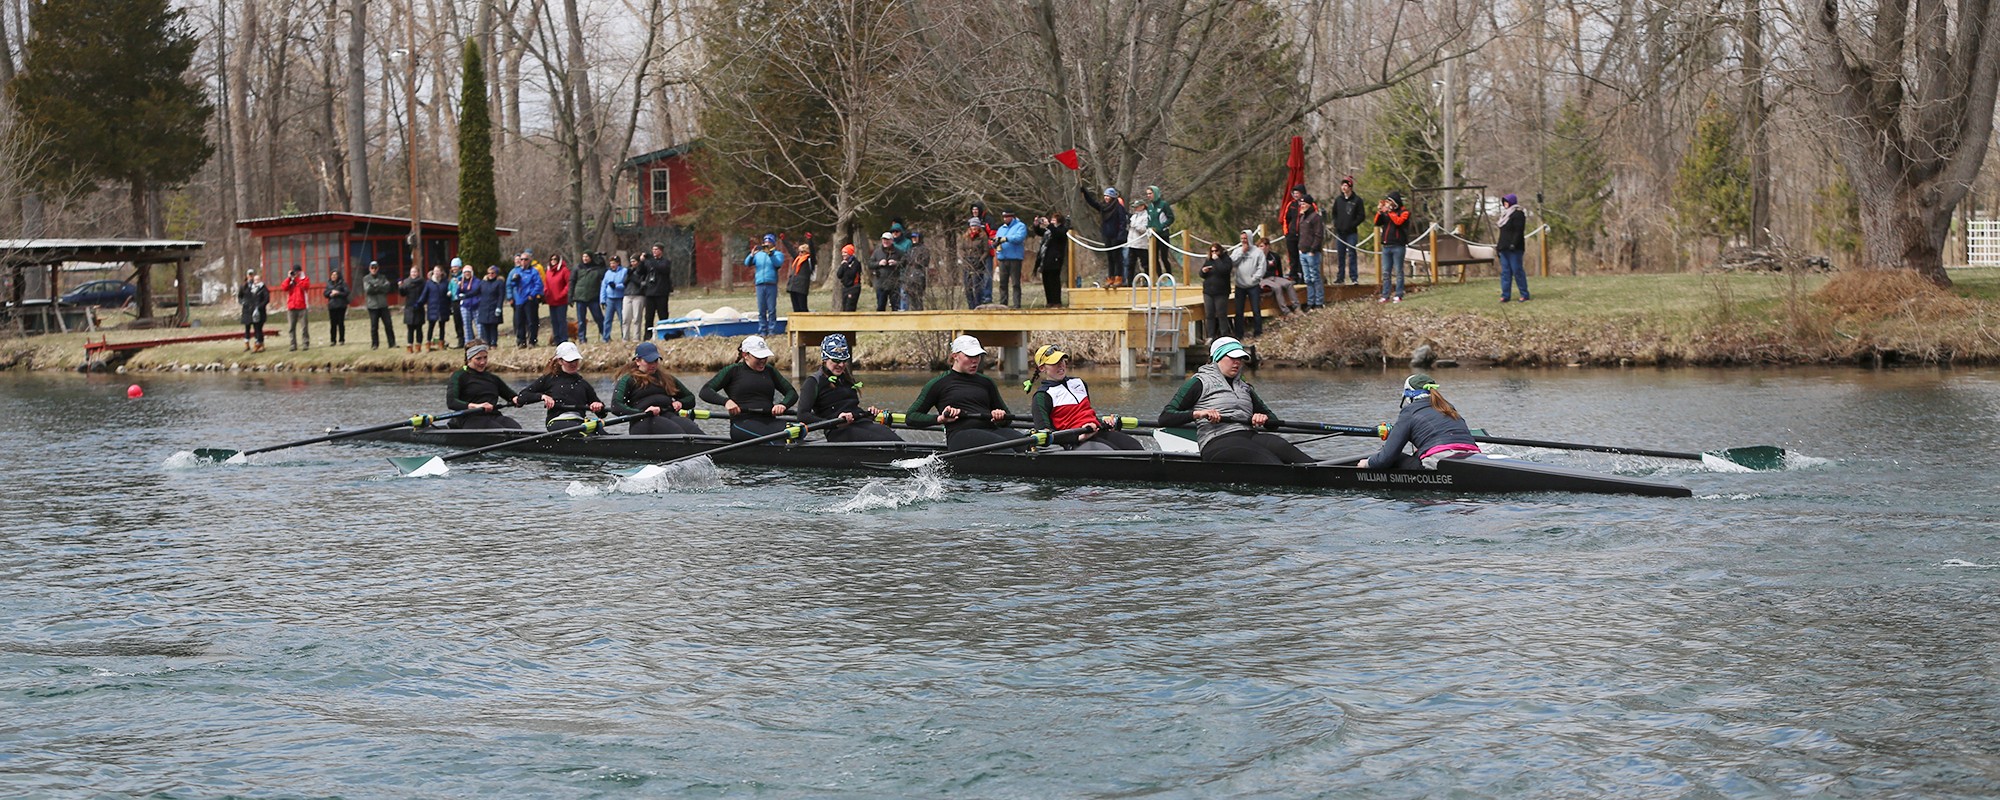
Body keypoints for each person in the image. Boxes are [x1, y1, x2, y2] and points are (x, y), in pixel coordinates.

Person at [1158, 337, 1313, 464]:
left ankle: (1320, 473)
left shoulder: (1245, 387)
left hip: (1249, 436)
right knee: (1269, 461)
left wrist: (1262, 418)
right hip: (1217, 441)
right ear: (1217, 357)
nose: (1237, 362)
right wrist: (1199, 414)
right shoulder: (1198, 382)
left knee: (1283, 447)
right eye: (1232, 357)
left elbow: (1273, 422)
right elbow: (1165, 417)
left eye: (1240, 358)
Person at [904, 335, 1013, 451]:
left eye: (977, 356)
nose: (975, 360)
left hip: (990, 430)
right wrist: (940, 419)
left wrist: (1001, 417)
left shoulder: (987, 382)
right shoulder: (939, 383)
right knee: (1007, 450)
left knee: (1027, 445)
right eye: (969, 356)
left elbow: (1007, 419)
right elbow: (911, 417)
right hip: (960, 436)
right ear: (955, 356)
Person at [1025, 344, 1143, 451]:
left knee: (1135, 447)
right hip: (1074, 441)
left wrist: (1102, 422)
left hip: (1095, 431)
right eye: (1054, 362)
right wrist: (1078, 436)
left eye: (1062, 360)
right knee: (1112, 452)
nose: (1061, 365)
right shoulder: (1042, 396)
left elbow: (1086, 413)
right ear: (1042, 368)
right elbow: (1045, 435)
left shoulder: (1079, 383)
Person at [1359, 373, 1480, 469]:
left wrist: (1368, 463)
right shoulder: (1448, 407)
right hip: (1472, 455)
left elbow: (1384, 459)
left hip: (1439, 460)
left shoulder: (1409, 412)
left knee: (1386, 454)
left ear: (1408, 395)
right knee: (1418, 453)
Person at [797, 334, 902, 442]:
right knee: (883, 440)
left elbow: (852, 406)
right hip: (838, 431)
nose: (841, 365)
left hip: (861, 423)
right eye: (836, 361)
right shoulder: (813, 382)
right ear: (825, 359)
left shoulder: (846, 379)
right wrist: (834, 422)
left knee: (893, 438)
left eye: (844, 360)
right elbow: (802, 416)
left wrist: (871, 413)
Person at [700, 335, 799, 441]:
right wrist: (726, 402)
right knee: (778, 439)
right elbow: (705, 391)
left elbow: (791, 393)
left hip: (769, 421)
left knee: (798, 430)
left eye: (764, 357)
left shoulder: (770, 371)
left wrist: (783, 405)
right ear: (745, 355)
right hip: (742, 424)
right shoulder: (733, 371)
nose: (762, 361)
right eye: (758, 357)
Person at [611, 341, 703, 435]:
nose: (653, 365)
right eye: (649, 361)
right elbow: (616, 406)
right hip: (644, 420)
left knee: (694, 431)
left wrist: (680, 403)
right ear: (638, 361)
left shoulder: (666, 378)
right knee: (679, 434)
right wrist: (643, 412)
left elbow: (690, 398)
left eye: (655, 361)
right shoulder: (628, 380)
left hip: (668, 415)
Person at [516, 341, 605, 430]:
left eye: (576, 360)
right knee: (583, 431)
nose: (574, 364)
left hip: (579, 422)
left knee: (599, 431)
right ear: (560, 361)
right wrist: (542, 396)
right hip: (557, 421)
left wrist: (598, 406)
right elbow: (522, 397)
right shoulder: (549, 379)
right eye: (570, 361)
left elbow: (603, 414)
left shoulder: (583, 384)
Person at [444, 342, 523, 430]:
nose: (483, 362)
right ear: (469, 359)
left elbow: (511, 396)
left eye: (485, 357)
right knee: (497, 430)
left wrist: (517, 399)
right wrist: (477, 406)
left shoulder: (492, 378)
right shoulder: (459, 376)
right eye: (478, 359)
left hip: (493, 416)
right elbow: (451, 402)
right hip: (469, 418)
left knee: (516, 428)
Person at [1079, 185, 1128, 286]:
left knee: (1117, 257)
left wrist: (1121, 235)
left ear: (1113, 197)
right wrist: (1085, 192)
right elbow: (1093, 203)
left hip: (1116, 235)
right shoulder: (1104, 207)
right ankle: (1110, 277)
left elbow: (1123, 222)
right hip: (1107, 235)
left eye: (1108, 196)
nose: (1106, 198)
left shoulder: (1118, 207)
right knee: (1110, 257)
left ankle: (1119, 277)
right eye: (1105, 196)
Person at [745, 234, 786, 336]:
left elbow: (778, 264)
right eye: (765, 242)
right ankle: (763, 330)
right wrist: (752, 255)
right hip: (759, 283)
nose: (767, 244)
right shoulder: (759, 255)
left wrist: (770, 254)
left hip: (771, 283)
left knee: (771, 309)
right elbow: (747, 263)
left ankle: (772, 330)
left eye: (769, 242)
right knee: (761, 309)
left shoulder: (777, 254)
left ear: (773, 243)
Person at [1375, 192, 1412, 303]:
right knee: (1386, 272)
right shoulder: (1387, 213)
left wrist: (1390, 212)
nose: (1388, 203)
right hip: (1386, 246)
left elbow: (1398, 222)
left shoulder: (1404, 212)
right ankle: (1385, 295)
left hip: (1398, 246)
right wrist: (1380, 211)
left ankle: (1399, 294)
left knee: (1399, 271)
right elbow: (1377, 222)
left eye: (1390, 201)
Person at [1329, 177, 1367, 286]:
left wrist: (1352, 224)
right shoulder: (1338, 200)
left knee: (1352, 254)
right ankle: (1340, 277)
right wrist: (1336, 224)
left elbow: (1361, 216)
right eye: (1342, 185)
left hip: (1351, 233)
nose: (1343, 188)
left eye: (1346, 185)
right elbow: (1334, 213)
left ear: (1350, 187)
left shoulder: (1357, 200)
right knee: (1340, 255)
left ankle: (1354, 277)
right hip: (1340, 233)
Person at [1230, 231, 1266, 338]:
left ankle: (1258, 332)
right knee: (1239, 311)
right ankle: (1239, 333)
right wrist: (1242, 252)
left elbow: (1262, 267)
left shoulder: (1258, 252)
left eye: (1245, 239)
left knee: (1256, 309)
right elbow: (1231, 262)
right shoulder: (1237, 251)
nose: (1243, 241)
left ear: (1249, 238)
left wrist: (1255, 278)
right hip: (1240, 285)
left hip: (1253, 286)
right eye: (1242, 239)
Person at [1495, 193, 1530, 302]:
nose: (1505, 204)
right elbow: (1503, 234)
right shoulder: (1504, 216)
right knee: (1505, 272)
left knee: (1517, 270)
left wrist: (1513, 244)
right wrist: (1499, 246)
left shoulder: (1518, 214)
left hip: (1515, 248)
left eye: (1507, 201)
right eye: (1504, 202)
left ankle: (1524, 294)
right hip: (1504, 248)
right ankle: (1505, 295)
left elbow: (1518, 231)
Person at [1198, 242, 1233, 344]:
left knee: (1221, 314)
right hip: (1208, 291)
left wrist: (1217, 260)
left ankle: (1224, 335)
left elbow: (1224, 270)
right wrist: (1203, 271)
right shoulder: (1208, 260)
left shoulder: (1226, 260)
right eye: (1212, 251)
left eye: (1216, 251)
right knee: (1209, 314)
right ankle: (1210, 335)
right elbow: (1201, 274)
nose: (1214, 253)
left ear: (1220, 251)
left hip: (1221, 291)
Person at [1033, 212, 1070, 307]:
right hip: (1046, 258)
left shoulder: (1062, 230)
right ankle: (1049, 301)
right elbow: (1040, 232)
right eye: (1051, 219)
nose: (1052, 222)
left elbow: (1058, 234)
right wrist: (1036, 225)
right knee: (1046, 280)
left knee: (1054, 280)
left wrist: (1048, 225)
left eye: (1054, 220)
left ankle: (1057, 301)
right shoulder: (1048, 231)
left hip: (1055, 258)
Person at [635, 244, 673, 336]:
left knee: (663, 315)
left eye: (656, 249)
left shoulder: (665, 262)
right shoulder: (649, 262)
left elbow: (662, 269)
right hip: (650, 293)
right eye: (653, 250)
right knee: (648, 317)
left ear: (661, 251)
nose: (654, 251)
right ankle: (647, 336)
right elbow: (639, 272)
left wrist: (651, 259)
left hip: (661, 292)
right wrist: (641, 261)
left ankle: (665, 334)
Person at [507, 252, 544, 346]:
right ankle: (521, 341)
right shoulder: (517, 271)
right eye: (521, 260)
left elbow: (538, 285)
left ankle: (532, 340)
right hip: (519, 299)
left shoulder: (534, 272)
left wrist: (532, 295)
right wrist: (515, 280)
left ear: (529, 260)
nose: (523, 261)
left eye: (525, 259)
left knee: (532, 322)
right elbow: (511, 285)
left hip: (530, 300)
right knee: (519, 322)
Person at [956, 219, 994, 309]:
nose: (974, 228)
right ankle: (971, 305)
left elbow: (986, 251)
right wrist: (964, 258)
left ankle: (978, 304)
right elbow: (961, 249)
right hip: (967, 263)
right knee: (967, 286)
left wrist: (980, 260)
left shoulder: (983, 236)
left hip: (978, 263)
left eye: (976, 226)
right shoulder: (965, 237)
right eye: (972, 226)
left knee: (977, 286)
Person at [1296, 194, 1326, 309]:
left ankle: (1319, 302)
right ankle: (1310, 301)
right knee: (1307, 279)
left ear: (1309, 204)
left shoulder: (1315, 217)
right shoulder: (1302, 217)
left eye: (1304, 204)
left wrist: (1313, 249)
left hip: (1311, 252)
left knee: (1315, 277)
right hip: (1302, 251)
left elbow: (1318, 235)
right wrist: (1300, 249)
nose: (1302, 206)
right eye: (1301, 204)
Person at [1259, 238, 1301, 317]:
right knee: (1277, 287)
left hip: (1274, 277)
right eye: (1260, 246)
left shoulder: (1274, 256)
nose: (1261, 248)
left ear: (1268, 246)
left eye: (1263, 246)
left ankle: (1297, 308)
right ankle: (1286, 311)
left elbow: (1279, 270)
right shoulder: (1256, 258)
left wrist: (1282, 280)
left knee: (1288, 284)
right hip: (1262, 279)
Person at [994, 210, 1027, 307]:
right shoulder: (1001, 228)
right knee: (1003, 283)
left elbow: (1019, 238)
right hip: (1002, 258)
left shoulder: (1020, 226)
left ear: (1012, 217)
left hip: (1015, 258)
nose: (1005, 219)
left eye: (1007, 217)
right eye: (1004, 217)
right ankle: (1003, 304)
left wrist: (1006, 238)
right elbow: (997, 238)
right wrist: (996, 244)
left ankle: (1017, 304)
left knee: (1015, 283)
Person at [1143, 186, 1176, 282]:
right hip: (1153, 236)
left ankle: (1169, 277)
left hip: (1163, 235)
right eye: (1147, 194)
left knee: (1164, 257)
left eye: (1150, 193)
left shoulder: (1164, 204)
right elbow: (1149, 220)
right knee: (1154, 257)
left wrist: (1163, 226)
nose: (1149, 196)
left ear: (1156, 193)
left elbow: (1171, 218)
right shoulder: (1149, 207)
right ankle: (1160, 278)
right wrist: (1148, 229)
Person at [573, 252, 606, 343]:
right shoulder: (578, 268)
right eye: (583, 256)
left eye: (587, 256)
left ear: (591, 258)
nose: (585, 258)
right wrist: (571, 296)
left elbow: (603, 274)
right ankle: (582, 338)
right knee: (581, 320)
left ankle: (605, 335)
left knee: (599, 318)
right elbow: (572, 281)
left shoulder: (596, 269)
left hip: (593, 297)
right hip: (580, 297)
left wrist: (602, 262)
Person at [362, 260, 396, 349]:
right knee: (374, 327)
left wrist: (376, 286)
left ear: (378, 268)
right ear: (369, 269)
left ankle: (392, 343)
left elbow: (387, 287)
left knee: (388, 324)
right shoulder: (366, 278)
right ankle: (375, 344)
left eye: (375, 268)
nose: (374, 269)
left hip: (383, 305)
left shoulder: (383, 277)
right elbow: (368, 290)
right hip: (372, 306)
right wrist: (379, 287)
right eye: (372, 268)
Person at [1281, 185, 1312, 275]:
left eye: (1297, 193)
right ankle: (1293, 273)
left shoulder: (1310, 204)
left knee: (1303, 255)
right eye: (1294, 193)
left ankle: (1302, 273)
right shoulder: (1291, 205)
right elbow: (1286, 219)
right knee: (1292, 255)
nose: (1295, 195)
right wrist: (1286, 232)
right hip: (1292, 234)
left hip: (1304, 235)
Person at [399, 265, 431, 353]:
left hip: (419, 307)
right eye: (412, 272)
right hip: (409, 308)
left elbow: (425, 294)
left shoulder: (422, 282)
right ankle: (409, 346)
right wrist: (400, 287)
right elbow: (403, 294)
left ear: (418, 273)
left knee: (419, 328)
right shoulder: (406, 282)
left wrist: (421, 303)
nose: (413, 274)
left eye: (415, 272)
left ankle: (418, 345)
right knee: (410, 328)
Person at [868, 232, 903, 311]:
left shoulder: (899, 252)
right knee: (880, 306)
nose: (885, 241)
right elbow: (870, 264)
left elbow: (905, 263)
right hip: (881, 283)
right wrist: (879, 263)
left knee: (896, 307)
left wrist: (896, 263)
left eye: (887, 239)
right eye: (883, 239)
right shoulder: (877, 252)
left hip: (894, 283)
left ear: (892, 241)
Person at [543, 254, 573, 345]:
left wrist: (562, 294)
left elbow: (569, 284)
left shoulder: (564, 270)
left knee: (561, 320)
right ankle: (556, 339)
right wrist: (545, 292)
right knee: (554, 321)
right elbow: (546, 284)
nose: (553, 261)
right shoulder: (548, 271)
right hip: (551, 301)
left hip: (561, 301)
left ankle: (563, 339)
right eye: (551, 259)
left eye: (555, 259)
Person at [281, 264, 311, 351]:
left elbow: (305, 287)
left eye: (297, 271)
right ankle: (293, 344)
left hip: (302, 306)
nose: (296, 273)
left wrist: (296, 279)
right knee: (291, 327)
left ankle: (305, 343)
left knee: (304, 326)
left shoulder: (304, 279)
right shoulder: (290, 280)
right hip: (291, 306)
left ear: (300, 271)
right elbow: (284, 287)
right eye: (294, 271)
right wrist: (289, 279)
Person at [238, 269, 269, 352]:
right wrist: (242, 302)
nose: (251, 277)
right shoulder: (244, 286)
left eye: (252, 275)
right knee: (248, 328)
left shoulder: (261, 287)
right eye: (249, 275)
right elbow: (240, 297)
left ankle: (259, 344)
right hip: (247, 310)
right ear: (247, 275)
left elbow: (265, 298)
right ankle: (249, 344)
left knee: (258, 328)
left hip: (257, 310)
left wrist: (258, 306)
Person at [476, 265, 506, 347]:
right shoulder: (483, 283)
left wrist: (499, 307)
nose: (490, 275)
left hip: (494, 307)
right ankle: (486, 343)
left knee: (493, 326)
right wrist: (465, 295)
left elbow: (501, 296)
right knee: (484, 326)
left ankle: (493, 343)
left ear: (496, 274)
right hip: (484, 307)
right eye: (489, 273)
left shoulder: (499, 283)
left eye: (492, 273)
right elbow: (476, 292)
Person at [900, 231, 930, 311]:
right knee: (910, 298)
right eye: (912, 237)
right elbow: (903, 261)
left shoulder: (924, 249)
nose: (914, 239)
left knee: (918, 299)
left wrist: (915, 261)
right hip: (908, 276)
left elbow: (925, 262)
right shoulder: (910, 249)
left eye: (916, 237)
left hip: (918, 276)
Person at [601, 255, 629, 340]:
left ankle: (624, 336)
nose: (612, 265)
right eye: (611, 263)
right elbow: (603, 286)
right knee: (607, 320)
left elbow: (625, 284)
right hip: (609, 299)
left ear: (618, 263)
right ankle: (606, 338)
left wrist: (616, 286)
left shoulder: (624, 271)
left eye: (614, 263)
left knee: (622, 319)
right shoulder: (608, 273)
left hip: (620, 298)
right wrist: (602, 299)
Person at [786, 236, 816, 313]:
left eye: (802, 252)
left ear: (807, 252)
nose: (800, 254)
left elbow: (813, 252)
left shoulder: (809, 260)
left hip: (801, 287)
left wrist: (810, 240)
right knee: (795, 308)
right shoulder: (797, 259)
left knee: (802, 307)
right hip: (793, 286)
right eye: (799, 252)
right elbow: (791, 250)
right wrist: (784, 240)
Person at [424, 266, 451, 350]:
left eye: (438, 271)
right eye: (435, 271)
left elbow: (448, 295)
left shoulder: (445, 282)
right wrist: (418, 303)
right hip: (432, 308)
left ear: (441, 272)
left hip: (443, 307)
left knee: (442, 326)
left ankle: (441, 343)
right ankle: (428, 343)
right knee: (431, 326)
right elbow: (424, 294)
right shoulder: (429, 283)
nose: (436, 273)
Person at [453, 264, 479, 349]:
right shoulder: (461, 281)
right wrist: (460, 295)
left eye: (468, 272)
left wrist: (465, 295)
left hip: (475, 305)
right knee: (467, 326)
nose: (467, 274)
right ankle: (469, 344)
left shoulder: (476, 281)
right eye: (465, 272)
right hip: (465, 305)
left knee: (478, 325)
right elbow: (458, 292)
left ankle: (480, 342)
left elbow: (475, 290)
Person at [1125, 201, 1152, 281]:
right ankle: (1129, 282)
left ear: (1142, 206)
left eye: (1137, 207)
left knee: (1145, 264)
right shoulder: (1133, 216)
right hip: (1132, 243)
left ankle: (1148, 281)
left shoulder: (1146, 216)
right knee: (1130, 264)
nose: (1135, 208)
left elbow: (1144, 229)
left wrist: (1135, 225)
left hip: (1141, 244)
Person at [322, 267, 349, 346]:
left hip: (341, 306)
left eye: (335, 275)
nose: (333, 276)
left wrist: (338, 293)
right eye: (332, 275)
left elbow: (346, 292)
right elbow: (325, 293)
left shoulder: (343, 283)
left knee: (340, 323)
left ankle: (341, 340)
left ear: (338, 276)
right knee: (333, 324)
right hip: (332, 306)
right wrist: (330, 292)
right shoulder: (329, 283)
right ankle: (333, 340)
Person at [834, 244, 862, 312]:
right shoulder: (844, 263)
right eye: (843, 253)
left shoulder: (855, 263)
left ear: (850, 253)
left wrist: (845, 265)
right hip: (845, 288)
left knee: (850, 307)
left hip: (853, 287)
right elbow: (839, 275)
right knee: (845, 307)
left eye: (845, 252)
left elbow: (851, 274)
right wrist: (843, 265)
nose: (843, 254)